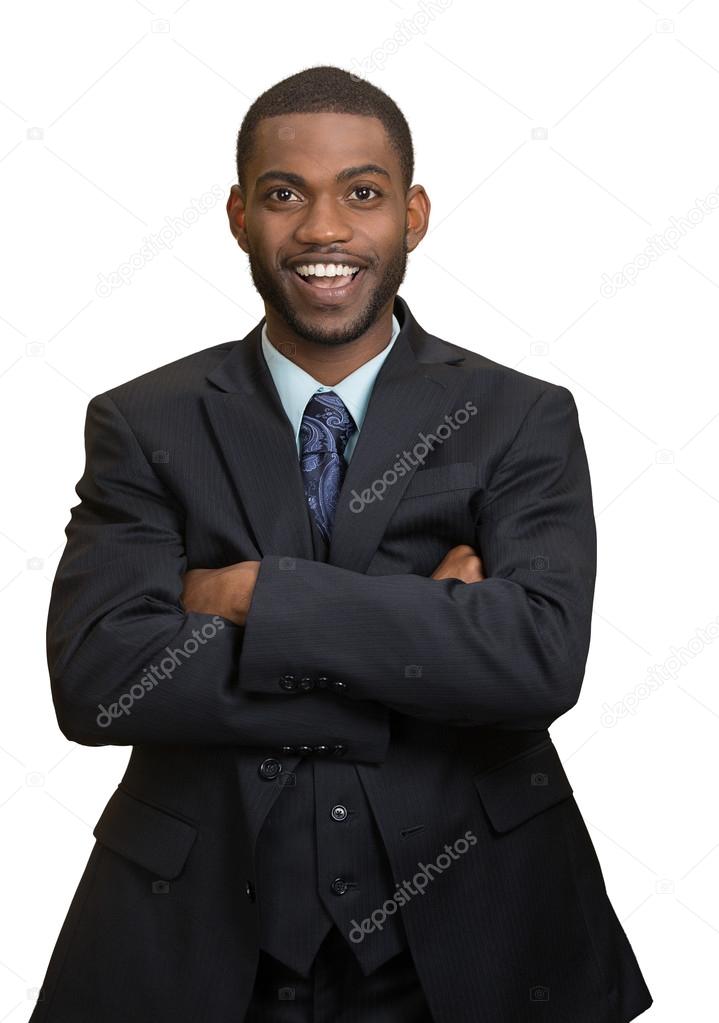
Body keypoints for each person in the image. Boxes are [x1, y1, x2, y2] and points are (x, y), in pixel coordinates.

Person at [30, 65, 653, 1022]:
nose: (323, 230)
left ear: (413, 213)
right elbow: (100, 676)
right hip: (200, 943)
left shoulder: (519, 416)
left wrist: (248, 595)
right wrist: (426, 633)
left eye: (361, 193)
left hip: (482, 931)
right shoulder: (142, 420)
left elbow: (535, 658)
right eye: (286, 195)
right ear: (239, 214)